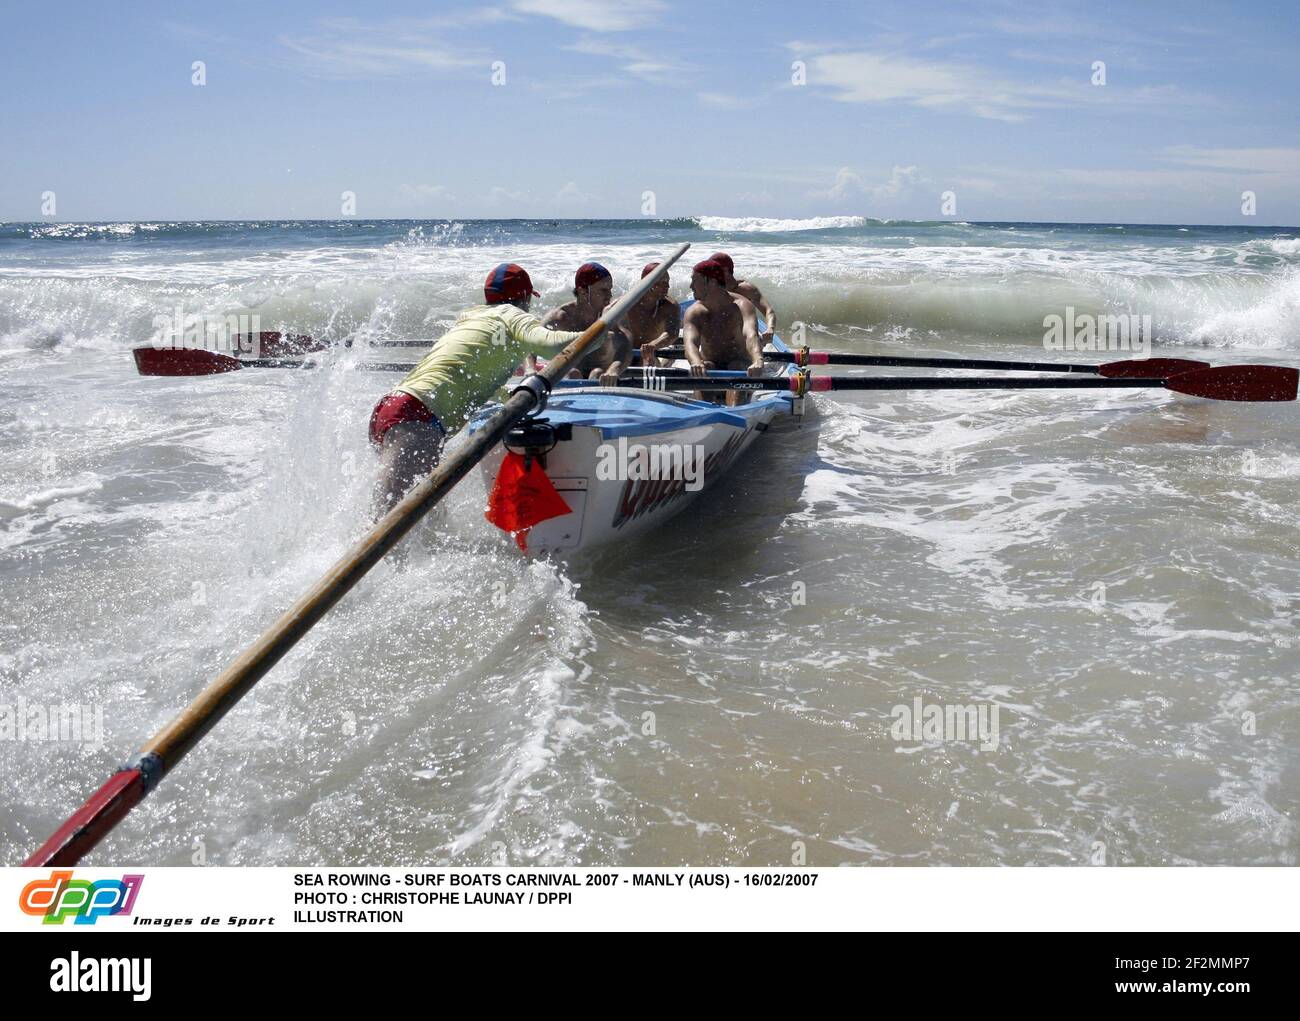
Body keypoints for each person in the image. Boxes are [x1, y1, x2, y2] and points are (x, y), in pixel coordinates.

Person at [369, 263, 586, 515]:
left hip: (392, 408)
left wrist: (510, 398)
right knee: (388, 520)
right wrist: (601, 332)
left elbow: (473, 378)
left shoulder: (471, 317)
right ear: (525, 298)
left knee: (426, 522)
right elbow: (550, 346)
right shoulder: (512, 315)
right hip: (416, 417)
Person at [682, 259, 765, 406]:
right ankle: (704, 413)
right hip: (711, 371)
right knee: (705, 366)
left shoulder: (742, 306)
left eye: (695, 281)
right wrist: (695, 362)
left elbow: (750, 336)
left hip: (742, 372)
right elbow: (690, 344)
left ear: (712, 282)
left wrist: (758, 359)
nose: (691, 286)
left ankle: (733, 412)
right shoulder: (694, 312)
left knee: (736, 366)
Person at [541, 262, 626, 380]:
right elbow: (530, 343)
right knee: (573, 374)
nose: (610, 295)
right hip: (570, 379)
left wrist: (615, 368)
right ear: (583, 292)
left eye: (610, 290)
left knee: (597, 373)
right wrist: (530, 368)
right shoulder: (560, 318)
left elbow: (625, 345)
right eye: (603, 290)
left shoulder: (610, 315)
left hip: (602, 380)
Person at [620, 261, 681, 368]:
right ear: (647, 283)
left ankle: (665, 363)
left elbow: (672, 333)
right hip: (627, 353)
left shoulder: (670, 306)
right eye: (661, 282)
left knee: (647, 361)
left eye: (667, 282)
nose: (667, 286)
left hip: (652, 353)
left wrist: (654, 344)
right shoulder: (627, 304)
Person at [710, 251, 777, 344]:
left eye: (713, 270)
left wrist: (770, 328)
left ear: (726, 270)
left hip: (746, 338)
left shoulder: (746, 289)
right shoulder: (711, 289)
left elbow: (768, 310)